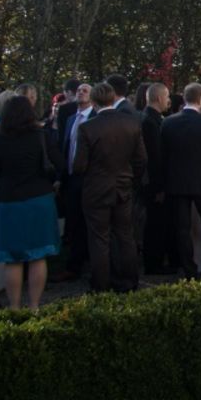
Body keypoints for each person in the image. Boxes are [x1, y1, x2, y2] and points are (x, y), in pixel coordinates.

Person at [0, 95, 62, 310]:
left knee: (13, 259)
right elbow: (59, 162)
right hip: (39, 198)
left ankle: (14, 306)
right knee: (38, 256)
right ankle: (34, 305)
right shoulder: (41, 136)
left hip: (10, 200)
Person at [73, 81, 146, 292]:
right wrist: (131, 178)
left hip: (96, 189)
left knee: (99, 239)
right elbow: (141, 159)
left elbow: (79, 165)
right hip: (123, 187)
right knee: (125, 235)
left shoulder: (87, 128)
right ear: (113, 98)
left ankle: (101, 285)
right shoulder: (131, 123)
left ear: (94, 101)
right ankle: (129, 281)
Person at [161, 82, 201, 279]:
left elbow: (163, 155)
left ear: (184, 98)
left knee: (182, 229)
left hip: (176, 182)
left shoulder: (168, 122)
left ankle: (189, 269)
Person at [52, 82, 93, 282]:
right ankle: (74, 266)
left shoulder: (96, 118)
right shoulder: (70, 119)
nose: (81, 92)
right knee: (74, 223)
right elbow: (64, 147)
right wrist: (60, 177)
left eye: (85, 90)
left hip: (89, 179)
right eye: (79, 90)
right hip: (71, 178)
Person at [141, 83, 177, 275]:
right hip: (155, 184)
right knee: (156, 224)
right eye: (167, 96)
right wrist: (159, 187)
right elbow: (155, 157)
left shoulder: (151, 118)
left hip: (155, 181)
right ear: (159, 98)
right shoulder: (149, 122)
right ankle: (153, 263)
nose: (169, 101)